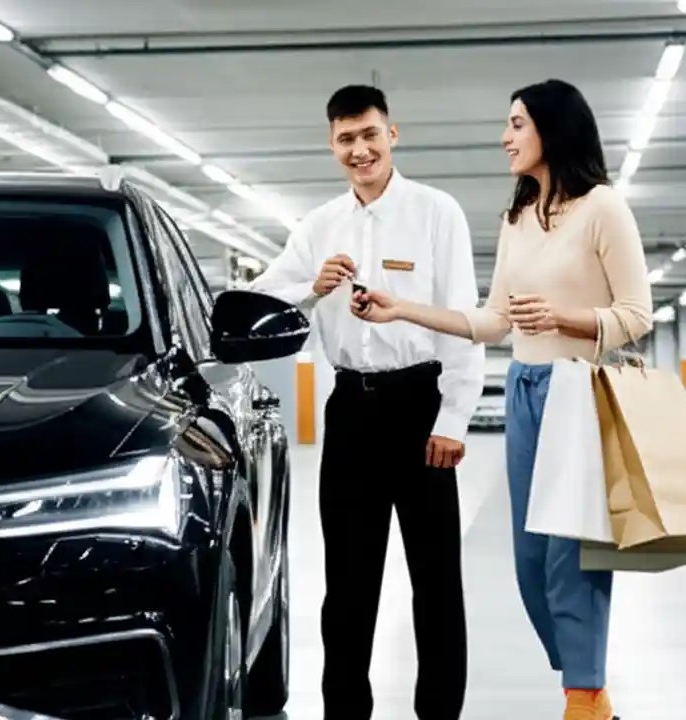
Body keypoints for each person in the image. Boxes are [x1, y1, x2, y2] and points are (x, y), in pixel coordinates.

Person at [351, 78, 653, 720]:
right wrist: (403, 308)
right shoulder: (516, 217)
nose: (504, 136)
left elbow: (637, 314)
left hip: (581, 392)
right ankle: (588, 684)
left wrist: (566, 319)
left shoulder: (603, 207)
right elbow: (493, 321)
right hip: (523, 389)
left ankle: (583, 696)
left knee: (572, 558)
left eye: (516, 124)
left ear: (554, 127)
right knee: (531, 562)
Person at [249, 84, 483, 720]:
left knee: (436, 582)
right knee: (348, 585)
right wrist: (309, 283)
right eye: (346, 139)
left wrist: (455, 417)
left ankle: (439, 711)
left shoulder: (438, 212)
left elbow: (464, 317)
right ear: (331, 145)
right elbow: (260, 298)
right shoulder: (319, 226)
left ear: (392, 135)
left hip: (421, 405)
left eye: (370, 134)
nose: (360, 149)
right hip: (350, 409)